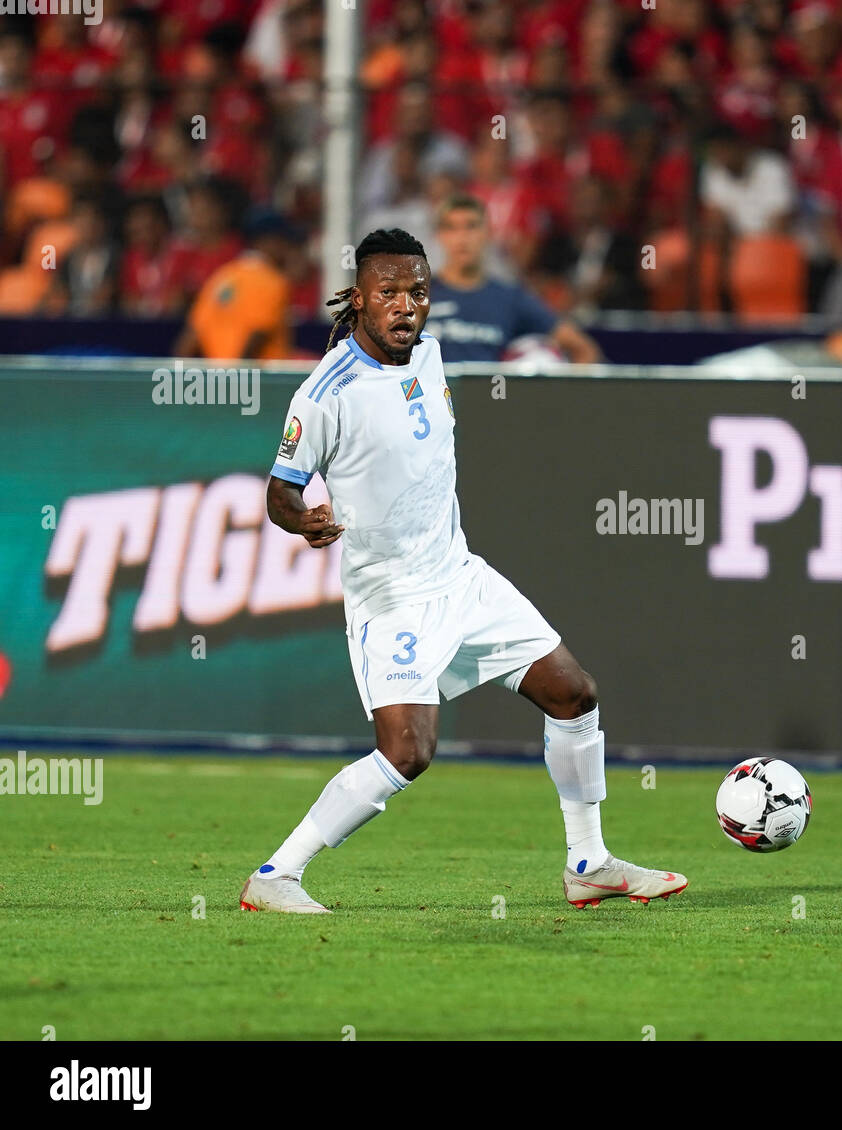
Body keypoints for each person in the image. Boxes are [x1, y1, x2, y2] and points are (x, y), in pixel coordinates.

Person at [239, 228, 683, 913]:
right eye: (388, 293)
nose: (405, 306)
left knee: (573, 694)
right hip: (391, 597)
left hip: (462, 576)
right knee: (407, 754)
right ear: (359, 299)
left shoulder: (432, 356)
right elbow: (279, 491)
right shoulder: (325, 393)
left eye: (417, 291)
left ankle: (588, 862)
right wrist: (304, 520)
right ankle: (276, 876)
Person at [424, 193, 602, 363]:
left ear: (489, 233)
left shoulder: (509, 298)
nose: (462, 238)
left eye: (471, 226)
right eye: (451, 228)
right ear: (439, 235)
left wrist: (565, 393)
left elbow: (584, 349)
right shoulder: (418, 296)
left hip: (490, 394)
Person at [174, 210, 295, 361]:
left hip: (220, 378)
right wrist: (236, 379)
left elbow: (189, 341)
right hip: (260, 380)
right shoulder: (273, 281)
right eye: (284, 241)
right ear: (268, 241)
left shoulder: (221, 277)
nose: (288, 249)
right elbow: (257, 336)